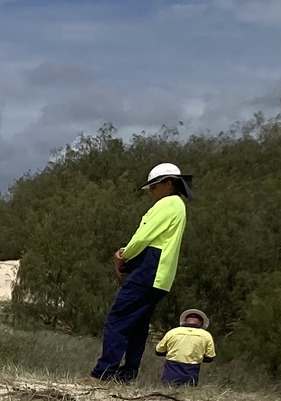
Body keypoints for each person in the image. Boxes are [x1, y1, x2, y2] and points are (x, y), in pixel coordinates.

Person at [91, 163, 191, 383]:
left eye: (155, 186)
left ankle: (103, 373)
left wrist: (123, 255)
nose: (152, 191)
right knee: (137, 325)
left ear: (169, 183)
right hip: (160, 276)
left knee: (117, 320)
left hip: (149, 271)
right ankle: (127, 375)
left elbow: (143, 236)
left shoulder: (168, 203)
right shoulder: (177, 205)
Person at [156, 308, 216, 386]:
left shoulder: (173, 332)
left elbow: (159, 351)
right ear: (201, 322)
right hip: (192, 370)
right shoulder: (206, 335)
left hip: (172, 368)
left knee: (167, 391)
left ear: (184, 320)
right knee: (188, 393)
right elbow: (210, 357)